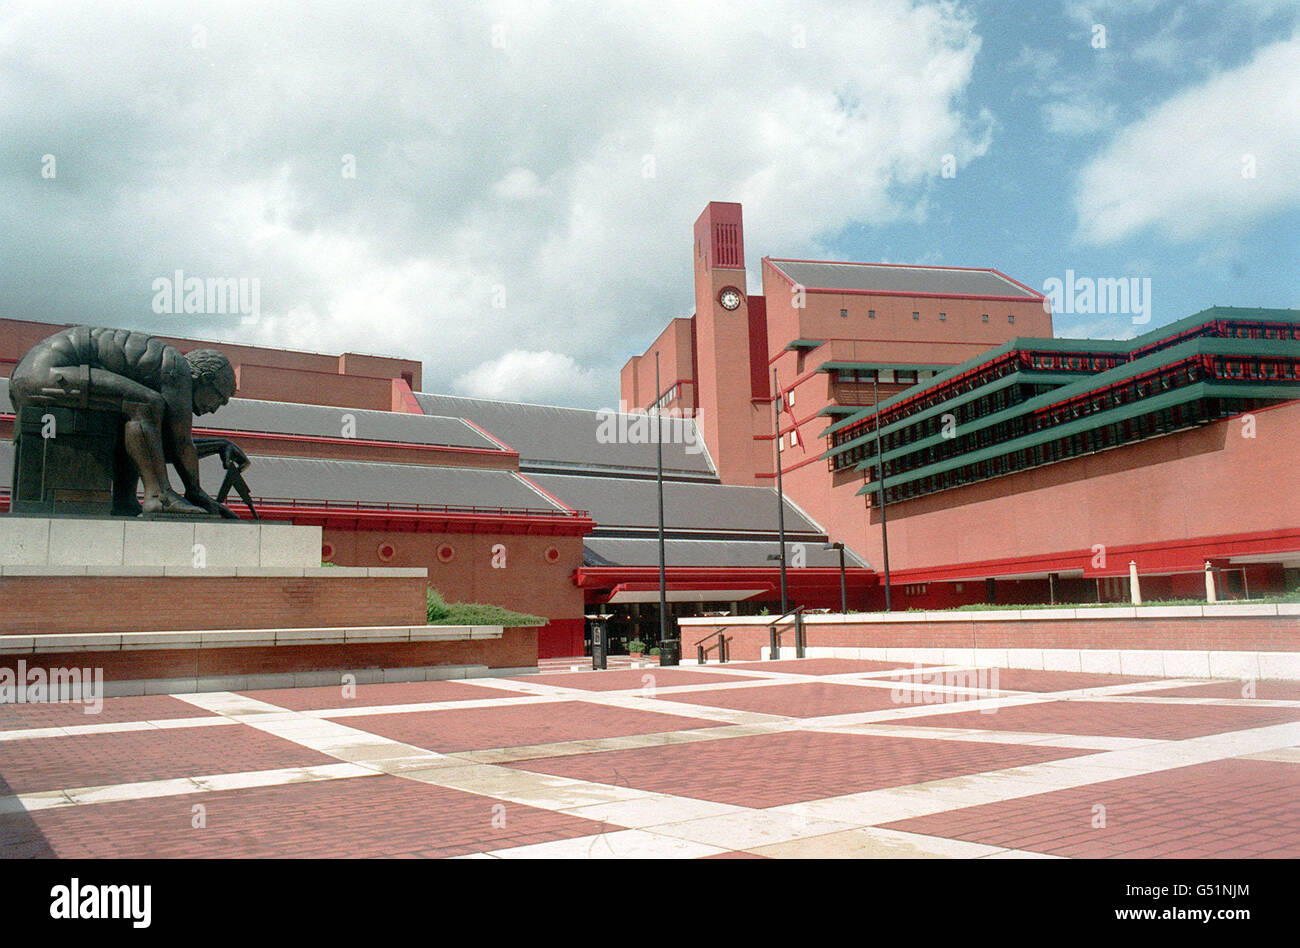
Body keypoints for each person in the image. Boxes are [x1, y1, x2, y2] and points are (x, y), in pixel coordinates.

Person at [9, 325, 239, 517]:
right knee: (146, 404)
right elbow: (179, 443)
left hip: (30, 378)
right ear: (205, 378)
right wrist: (196, 493)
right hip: (45, 373)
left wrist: (218, 445)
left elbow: (157, 446)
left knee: (136, 423)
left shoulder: (164, 367)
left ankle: (124, 501)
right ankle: (160, 497)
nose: (214, 409)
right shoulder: (177, 370)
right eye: (219, 399)